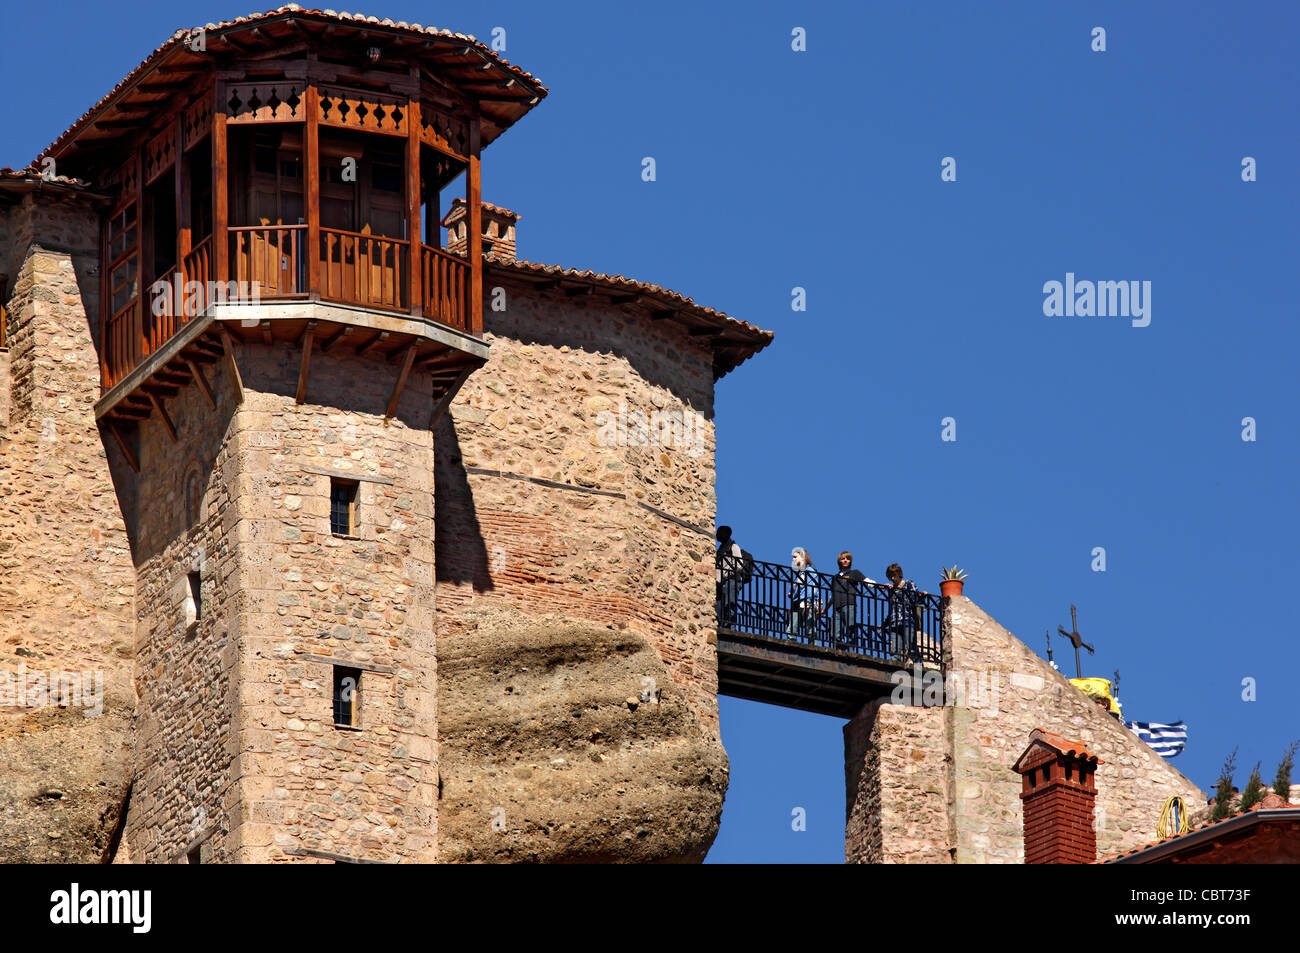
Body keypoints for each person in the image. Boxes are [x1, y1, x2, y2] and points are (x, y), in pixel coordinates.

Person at [830, 551, 875, 651]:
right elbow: (832, 596)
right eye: (843, 558)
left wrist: (882, 586)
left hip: (849, 604)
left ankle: (850, 652)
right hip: (836, 607)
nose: (845, 560)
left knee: (850, 630)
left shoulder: (854, 573)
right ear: (839, 561)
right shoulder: (835, 577)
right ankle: (839, 651)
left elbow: (869, 582)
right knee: (835, 632)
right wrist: (825, 609)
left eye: (848, 558)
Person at [884, 563, 919, 664]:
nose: (892, 578)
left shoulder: (909, 584)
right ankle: (894, 668)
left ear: (899, 574)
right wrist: (885, 623)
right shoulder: (891, 590)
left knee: (911, 647)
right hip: (894, 622)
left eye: (894, 575)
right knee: (895, 651)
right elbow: (891, 609)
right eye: (890, 576)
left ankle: (918, 666)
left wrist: (896, 591)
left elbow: (914, 600)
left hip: (907, 620)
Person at [785, 547, 820, 641]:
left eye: (795, 557)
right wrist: (791, 593)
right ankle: (791, 644)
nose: (793, 559)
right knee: (792, 627)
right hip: (797, 603)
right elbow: (797, 589)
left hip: (806, 603)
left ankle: (814, 647)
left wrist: (808, 602)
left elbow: (811, 587)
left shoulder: (809, 571)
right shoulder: (800, 573)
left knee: (810, 629)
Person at [715, 526, 743, 628]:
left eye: (720, 533)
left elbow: (739, 565)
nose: (717, 535)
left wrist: (725, 575)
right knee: (718, 608)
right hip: (720, 584)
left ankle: (730, 628)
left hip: (731, 582)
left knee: (729, 606)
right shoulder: (721, 550)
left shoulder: (733, 547)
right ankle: (720, 626)